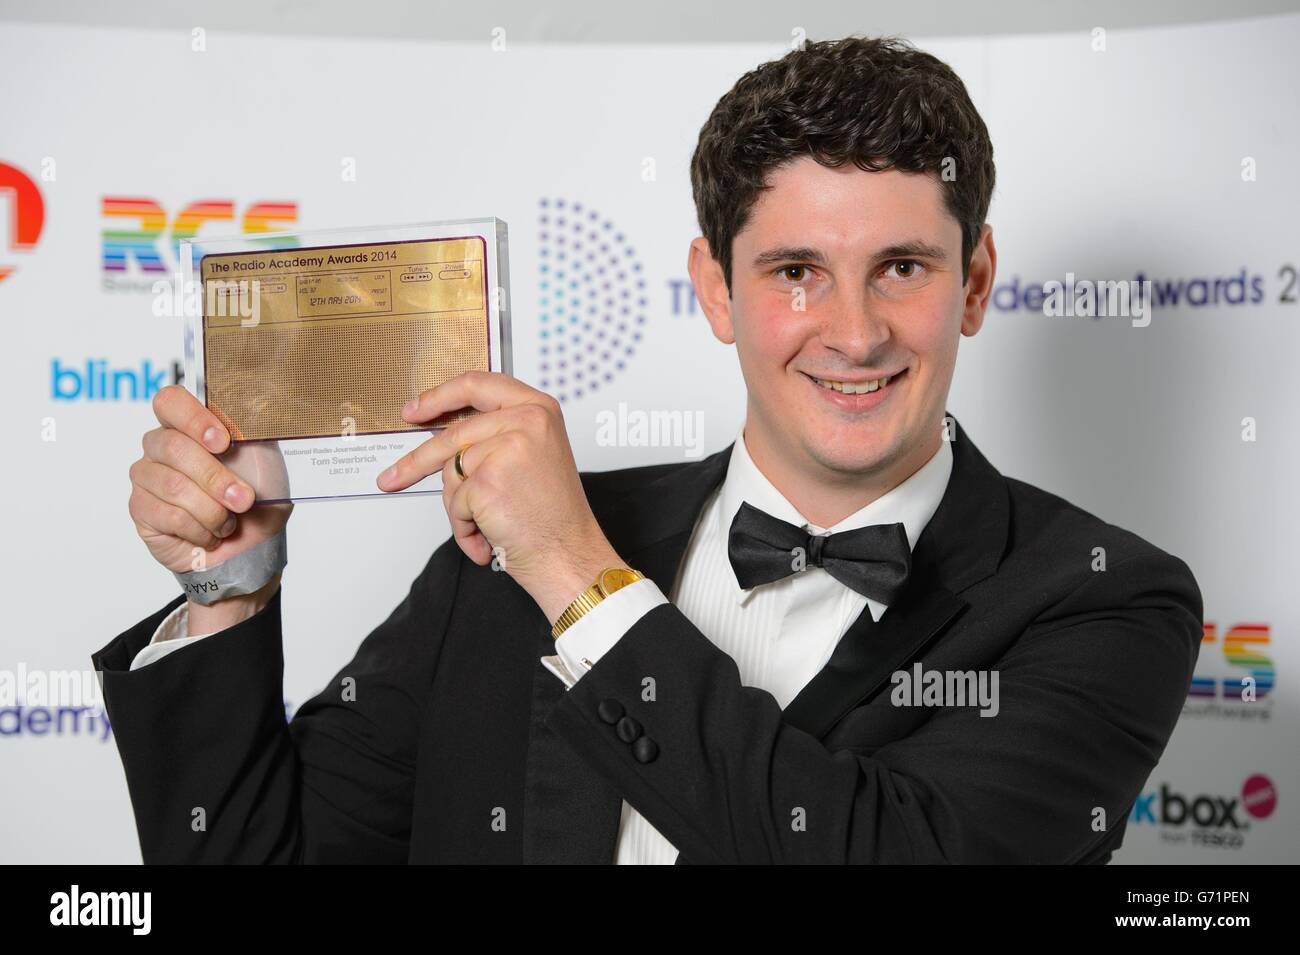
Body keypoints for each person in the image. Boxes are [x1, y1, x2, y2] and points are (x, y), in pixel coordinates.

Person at [96, 35, 1202, 864]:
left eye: (902, 268)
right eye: (795, 271)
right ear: (716, 290)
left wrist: (579, 575)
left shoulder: (1105, 600)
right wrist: (228, 586)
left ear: (973, 282)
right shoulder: (491, 567)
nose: (855, 332)